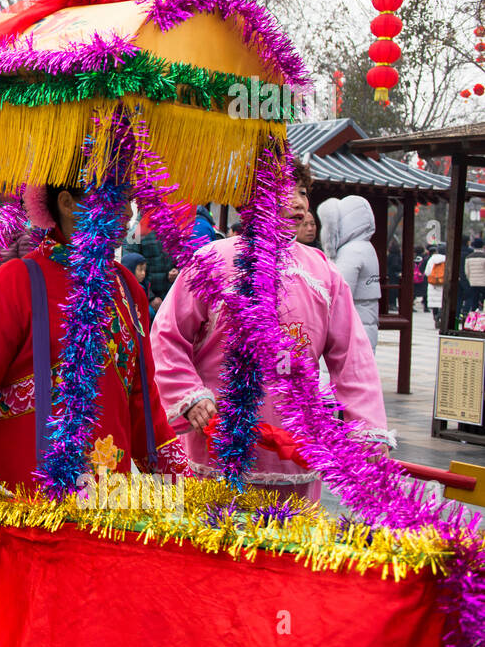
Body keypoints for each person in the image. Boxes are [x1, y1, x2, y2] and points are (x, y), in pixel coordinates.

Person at [0, 182, 184, 541]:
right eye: (116, 200)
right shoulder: (15, 281)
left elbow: (142, 402)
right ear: (67, 203)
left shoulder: (129, 290)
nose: (128, 214)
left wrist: (181, 481)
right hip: (24, 510)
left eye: (129, 201)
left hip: (108, 510)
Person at [151, 160, 392, 503]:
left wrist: (367, 428)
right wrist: (189, 396)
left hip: (296, 447)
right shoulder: (212, 262)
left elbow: (352, 359)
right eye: (283, 190)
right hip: (217, 443)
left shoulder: (323, 273)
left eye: (303, 192)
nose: (297, 202)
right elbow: (166, 335)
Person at [316, 195, 381, 350]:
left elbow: (339, 292)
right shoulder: (366, 247)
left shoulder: (351, 252)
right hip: (366, 319)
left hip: (351, 325)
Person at [462, 237, 485, 319]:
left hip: (473, 283)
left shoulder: (469, 257)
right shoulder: (484, 256)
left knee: (474, 302)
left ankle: (473, 320)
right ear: (483, 246)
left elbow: (466, 272)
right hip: (483, 283)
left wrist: (470, 279)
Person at [425, 243, 447, 324]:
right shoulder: (447, 259)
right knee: (442, 301)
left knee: (434, 302)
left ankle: (435, 316)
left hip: (433, 283)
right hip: (443, 283)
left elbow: (427, 272)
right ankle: (440, 315)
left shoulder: (432, 259)